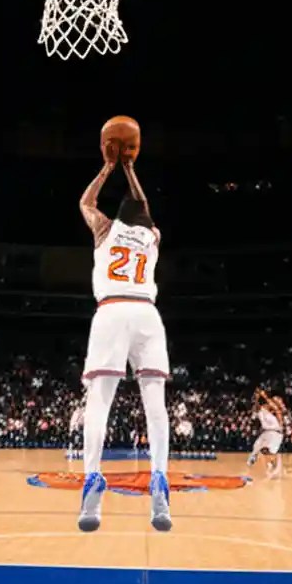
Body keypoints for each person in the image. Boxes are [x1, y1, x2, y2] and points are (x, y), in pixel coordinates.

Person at [76, 137, 172, 533]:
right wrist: (131, 168)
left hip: (112, 311)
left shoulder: (104, 229)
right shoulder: (153, 237)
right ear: (144, 218)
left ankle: (92, 479)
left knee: (99, 402)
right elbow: (144, 207)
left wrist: (108, 167)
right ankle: (159, 481)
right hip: (148, 315)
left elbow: (85, 203)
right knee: (155, 405)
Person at [247, 388, 285, 477]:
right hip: (266, 432)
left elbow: (275, 407)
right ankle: (253, 462)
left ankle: (273, 467)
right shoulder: (262, 409)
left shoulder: (277, 411)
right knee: (256, 446)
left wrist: (264, 395)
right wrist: (257, 397)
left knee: (269, 451)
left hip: (276, 433)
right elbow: (256, 407)